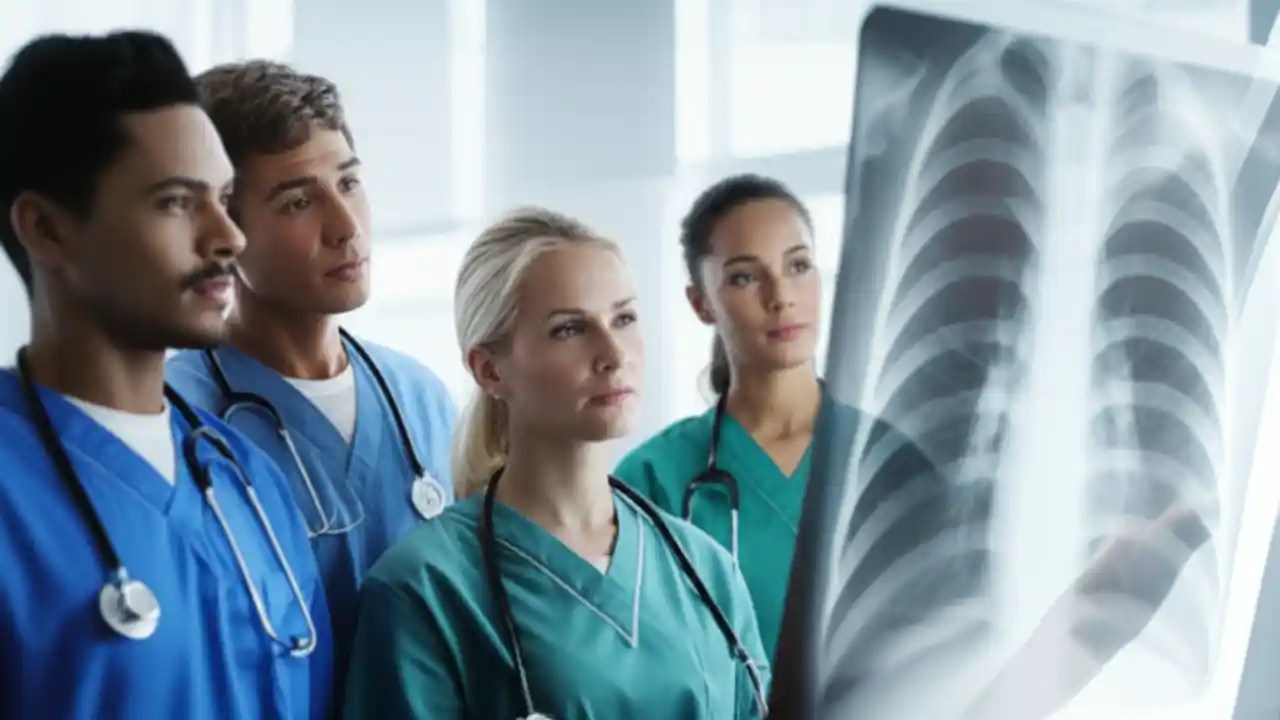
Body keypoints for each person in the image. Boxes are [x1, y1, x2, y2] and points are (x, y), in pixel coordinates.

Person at [0, 31, 331, 719]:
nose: (228, 237)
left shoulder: (250, 487)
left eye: (226, 197)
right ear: (46, 229)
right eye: (178, 203)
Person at [343, 207, 770, 718]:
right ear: (489, 370)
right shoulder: (426, 587)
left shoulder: (703, 569)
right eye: (570, 329)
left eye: (625, 318)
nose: (614, 353)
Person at [164, 60, 457, 697]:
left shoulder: (420, 400)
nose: (347, 227)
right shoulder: (179, 420)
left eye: (349, 183)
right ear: (223, 228)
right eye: (299, 201)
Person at [613, 173, 832, 662]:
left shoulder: (887, 457)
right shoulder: (652, 482)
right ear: (701, 303)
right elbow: (631, 667)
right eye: (744, 277)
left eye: (798, 265)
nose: (781, 296)